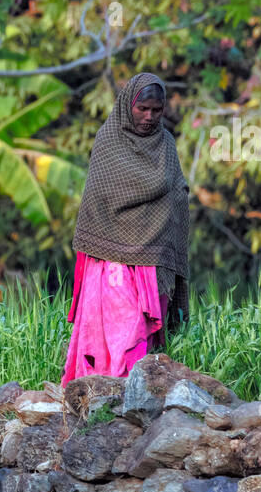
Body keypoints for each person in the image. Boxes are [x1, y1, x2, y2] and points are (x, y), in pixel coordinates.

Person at [61, 72, 190, 385]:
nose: (149, 116)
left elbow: (177, 195)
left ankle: (138, 388)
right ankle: (105, 386)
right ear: (127, 106)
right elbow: (100, 196)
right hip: (109, 258)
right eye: (142, 108)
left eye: (156, 110)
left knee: (143, 326)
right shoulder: (109, 140)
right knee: (120, 320)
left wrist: (167, 211)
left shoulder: (166, 145)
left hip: (152, 255)